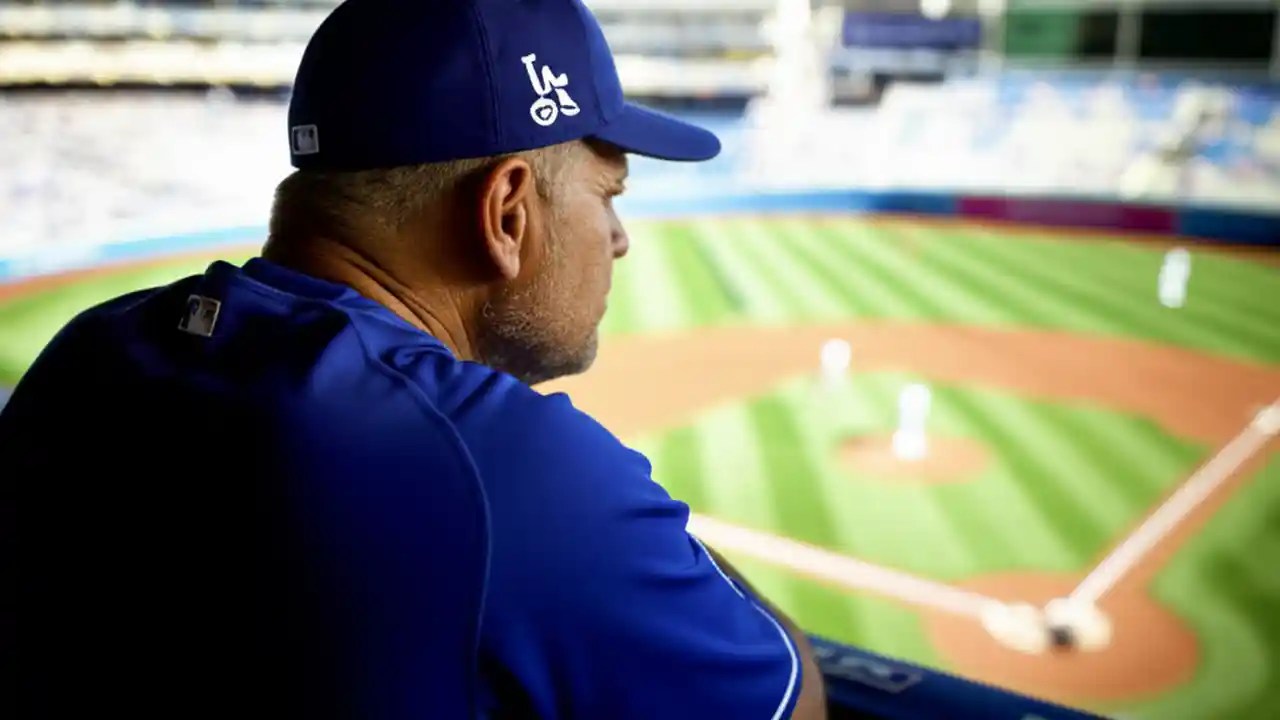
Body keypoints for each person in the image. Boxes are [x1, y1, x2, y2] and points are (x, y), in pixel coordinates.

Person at [0, 0, 826, 718]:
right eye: (608, 195)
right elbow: (790, 706)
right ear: (506, 212)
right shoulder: (508, 474)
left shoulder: (91, 350)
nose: (620, 239)